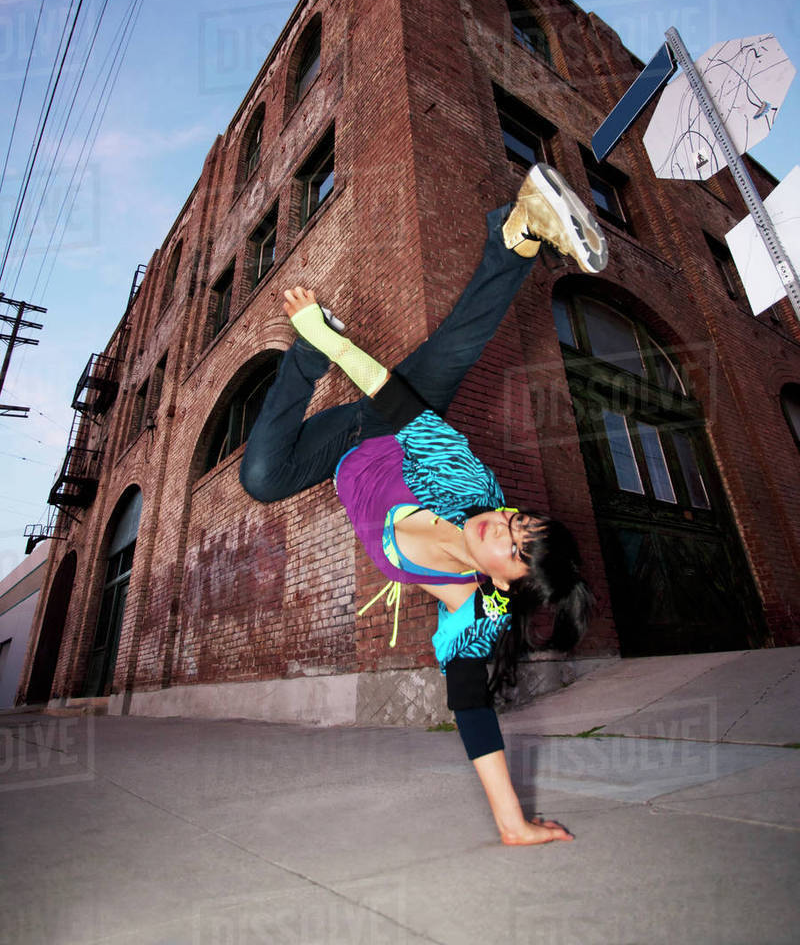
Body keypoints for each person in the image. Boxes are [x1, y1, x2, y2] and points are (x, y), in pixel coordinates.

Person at [240, 162, 606, 845]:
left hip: (339, 453)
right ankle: (521, 232)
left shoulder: (474, 610)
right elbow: (396, 399)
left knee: (261, 478)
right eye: (520, 522)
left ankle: (305, 359)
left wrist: (512, 824)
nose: (502, 523)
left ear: (502, 584)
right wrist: (330, 338)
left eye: (511, 545)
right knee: (456, 348)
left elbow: (471, 704)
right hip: (394, 422)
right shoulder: (467, 487)